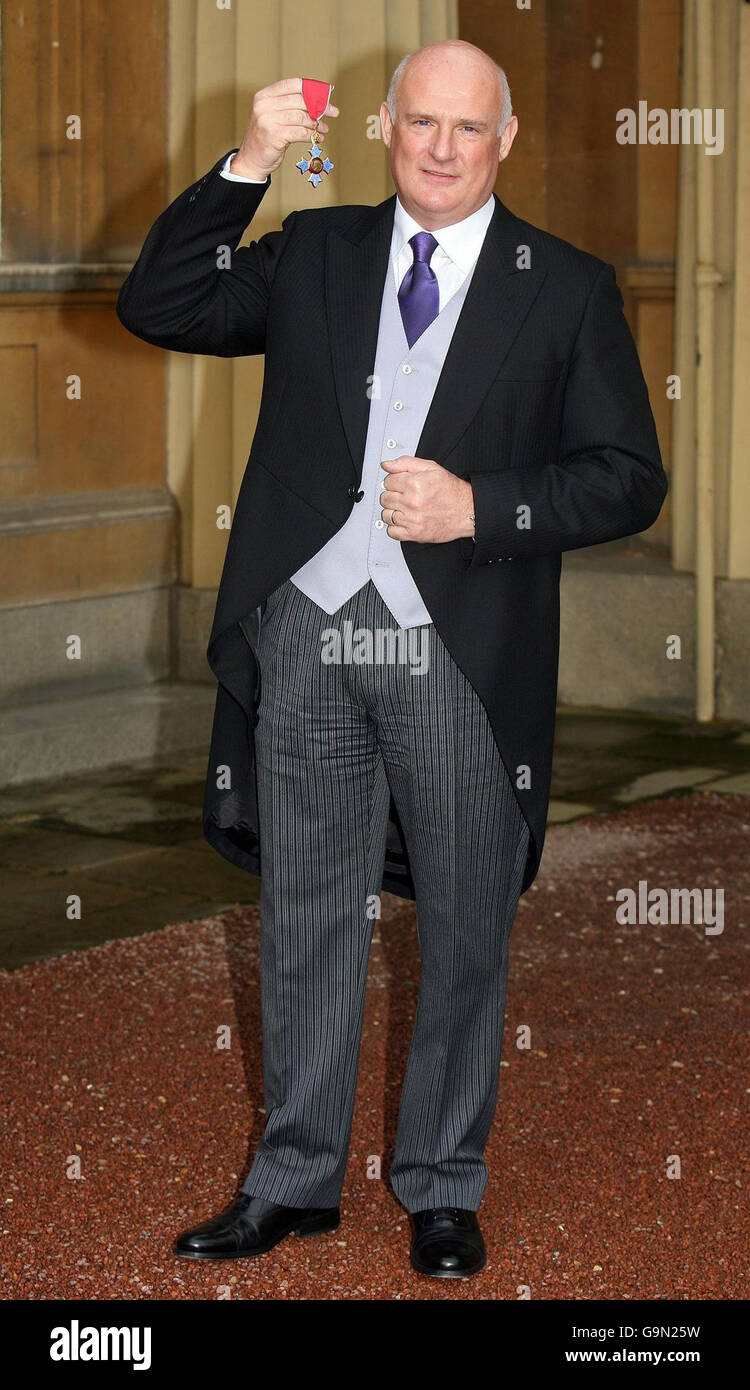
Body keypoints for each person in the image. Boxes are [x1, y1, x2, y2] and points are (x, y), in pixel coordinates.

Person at [117, 39, 667, 1280]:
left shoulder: (567, 286)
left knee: (467, 916)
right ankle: (297, 1177)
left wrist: (485, 507)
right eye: (421, 121)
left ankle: (440, 1185)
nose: (440, 147)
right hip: (308, 623)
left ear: (505, 142)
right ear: (383, 124)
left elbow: (630, 476)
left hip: (460, 651)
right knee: (305, 907)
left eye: (468, 129)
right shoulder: (320, 251)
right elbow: (160, 304)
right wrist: (251, 161)